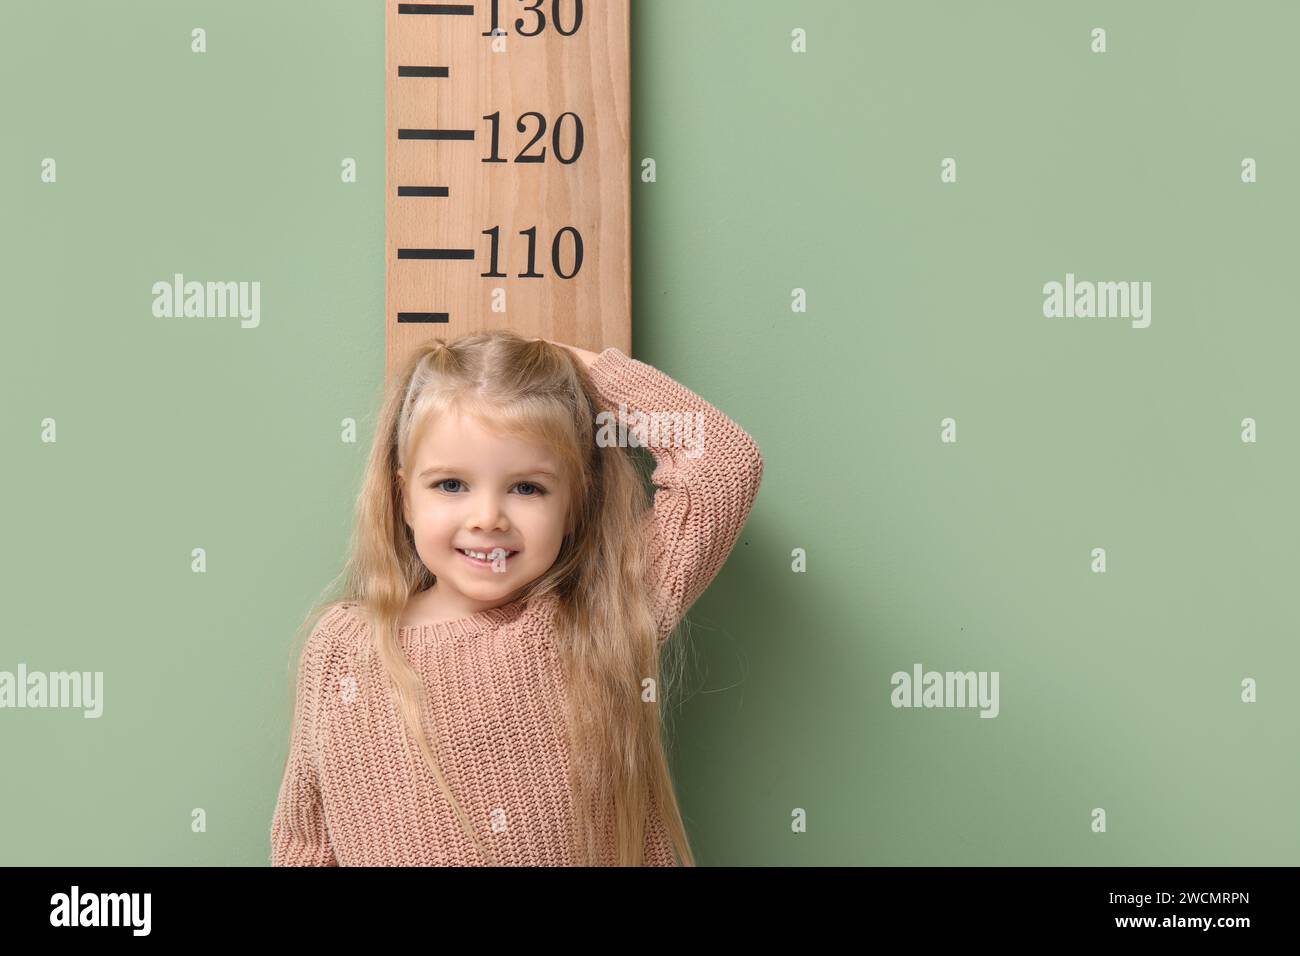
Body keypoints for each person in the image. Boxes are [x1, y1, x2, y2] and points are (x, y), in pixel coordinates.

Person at [269, 330, 763, 865]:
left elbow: (722, 464)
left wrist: (575, 366)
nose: (488, 518)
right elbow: (306, 846)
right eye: (451, 485)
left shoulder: (595, 617)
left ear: (573, 506)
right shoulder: (342, 649)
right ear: (403, 498)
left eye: (527, 488)